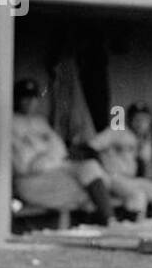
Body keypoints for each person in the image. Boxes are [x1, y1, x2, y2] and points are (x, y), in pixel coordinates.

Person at [11, 78, 115, 225]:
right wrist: (47, 155)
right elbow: (25, 164)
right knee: (86, 190)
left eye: (33, 97)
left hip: (54, 172)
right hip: (31, 180)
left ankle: (110, 220)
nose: (30, 102)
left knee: (91, 169)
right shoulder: (9, 122)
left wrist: (45, 156)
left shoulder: (40, 121)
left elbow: (60, 149)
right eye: (25, 98)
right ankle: (107, 221)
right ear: (17, 99)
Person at [88, 104, 152, 220]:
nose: (141, 123)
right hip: (113, 177)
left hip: (131, 179)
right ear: (129, 119)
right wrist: (101, 170)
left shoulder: (144, 138)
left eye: (145, 120)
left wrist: (143, 142)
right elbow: (91, 147)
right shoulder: (117, 129)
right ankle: (133, 229)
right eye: (137, 119)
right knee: (138, 196)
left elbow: (143, 162)